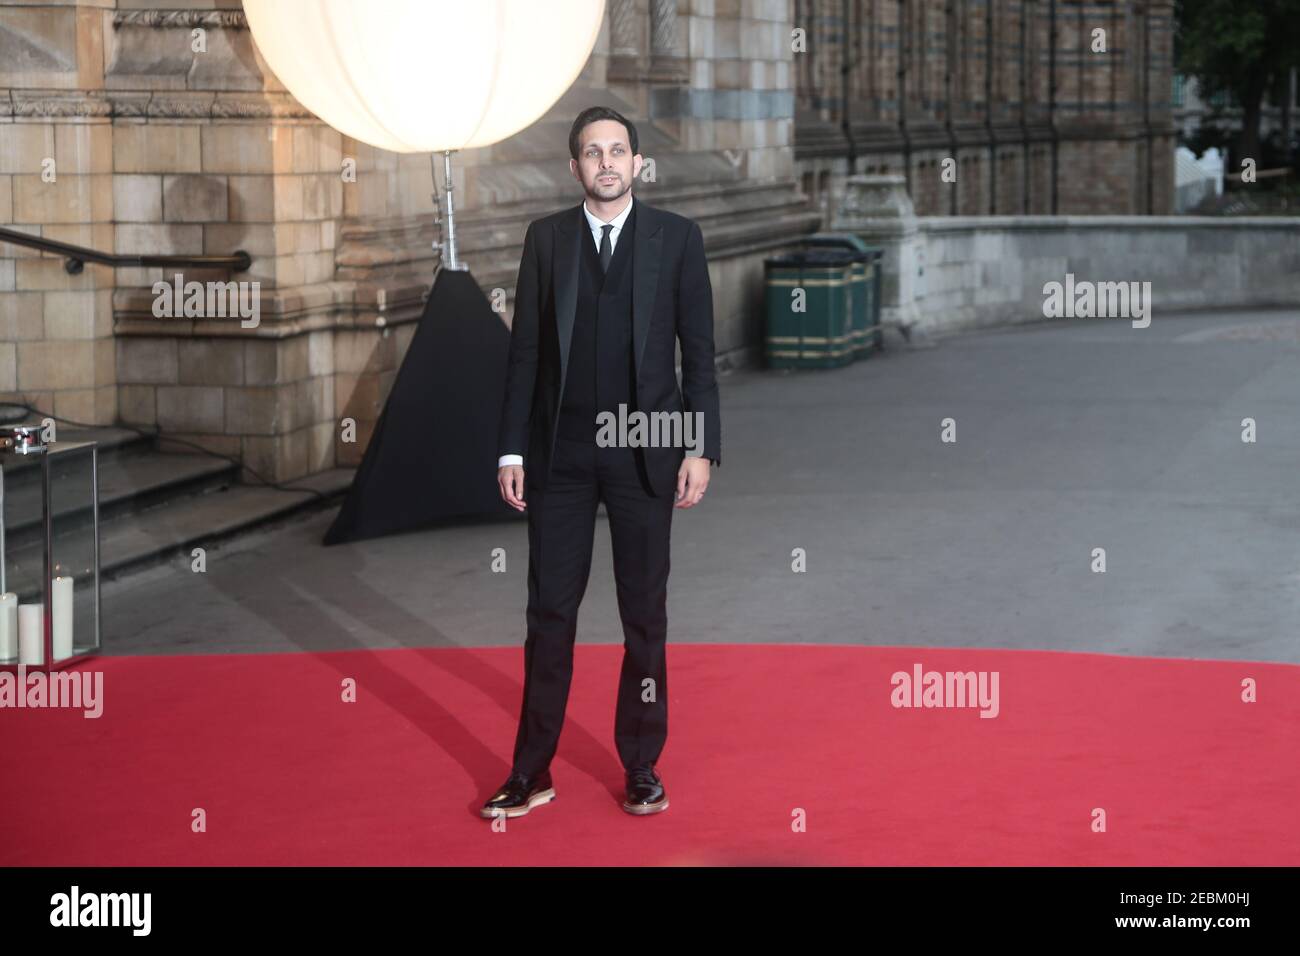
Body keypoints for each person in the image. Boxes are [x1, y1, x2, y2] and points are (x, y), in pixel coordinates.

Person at [483, 106, 721, 819]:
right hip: (562, 452)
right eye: (594, 152)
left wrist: (700, 446)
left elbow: (699, 356)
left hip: (646, 444)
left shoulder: (677, 240)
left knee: (643, 613)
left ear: (639, 163)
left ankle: (641, 766)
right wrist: (511, 446)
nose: (607, 162)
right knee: (549, 613)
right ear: (575, 167)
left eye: (619, 150)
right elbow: (525, 352)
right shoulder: (546, 240)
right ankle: (532, 769)